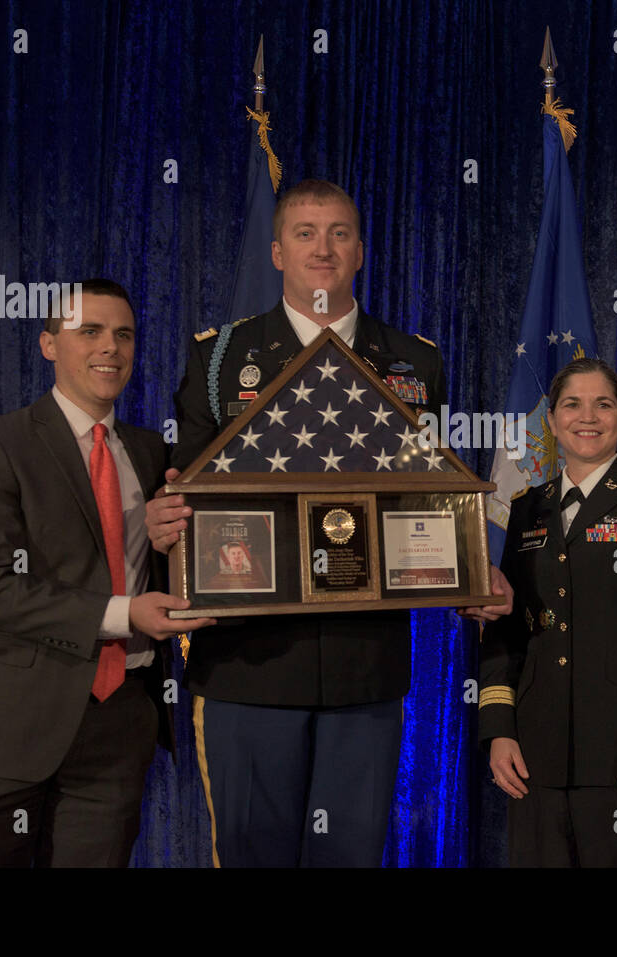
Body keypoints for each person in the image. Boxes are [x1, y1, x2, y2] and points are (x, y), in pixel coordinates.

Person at [147, 179, 510, 867]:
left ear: (361, 251)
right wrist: (167, 523)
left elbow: (425, 500)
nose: (324, 247)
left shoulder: (414, 361)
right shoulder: (221, 357)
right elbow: (188, 499)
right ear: (278, 251)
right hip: (248, 668)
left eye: (339, 232)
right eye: (306, 233)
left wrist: (466, 565)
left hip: (363, 668)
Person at [0, 279, 215, 867]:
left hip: (117, 726)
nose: (110, 347)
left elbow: (182, 567)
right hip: (3, 725)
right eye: (91, 332)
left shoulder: (153, 454)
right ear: (49, 344)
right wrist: (121, 615)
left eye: (124, 334)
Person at [478, 357, 617, 867]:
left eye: (603, 404)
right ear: (552, 421)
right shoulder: (527, 508)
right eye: (572, 404)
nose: (588, 416)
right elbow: (505, 630)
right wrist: (499, 729)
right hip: (538, 756)